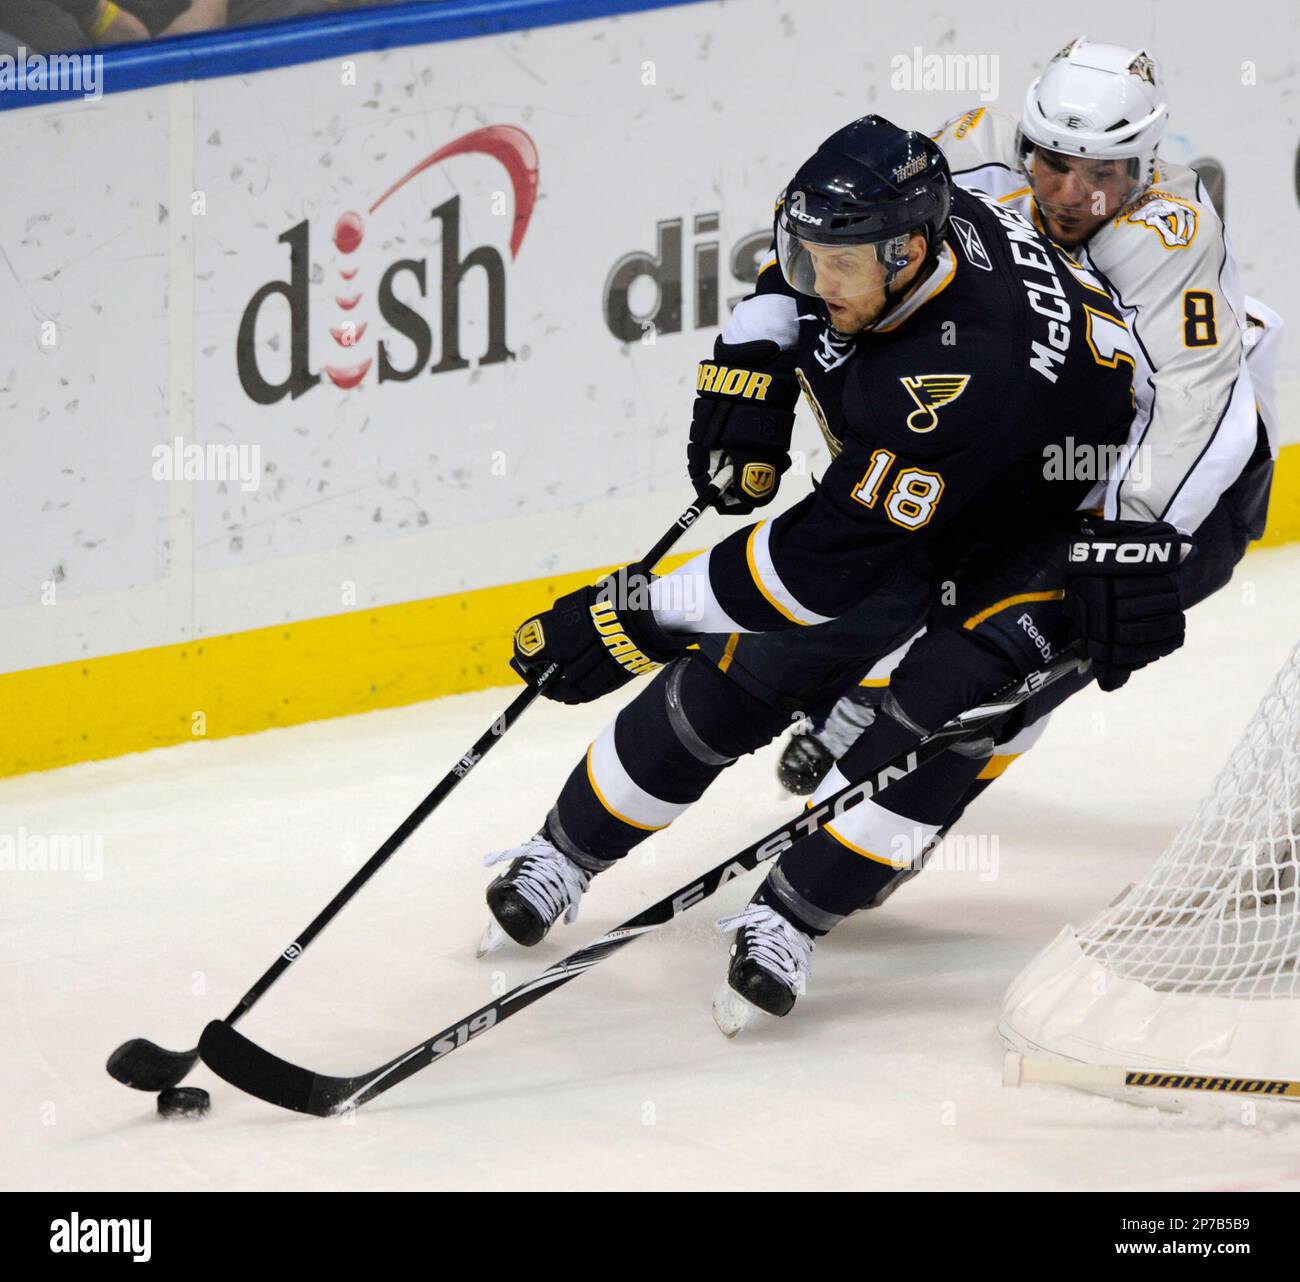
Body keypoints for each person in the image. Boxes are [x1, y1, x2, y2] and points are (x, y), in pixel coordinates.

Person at [477, 113, 1142, 1033]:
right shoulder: (881, 250)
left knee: (937, 723)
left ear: (909, 255)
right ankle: (564, 854)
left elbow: (809, 572)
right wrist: (751, 360)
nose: (812, 279)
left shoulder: (961, 380)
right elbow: (795, 281)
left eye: (838, 265)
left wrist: (632, 613)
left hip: (1044, 529)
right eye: (806, 252)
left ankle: (788, 917)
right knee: (745, 677)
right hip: (919, 497)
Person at [778, 38, 1281, 799]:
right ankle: (863, 697)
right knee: (928, 559)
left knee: (1027, 649)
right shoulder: (974, 149)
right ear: (1024, 145)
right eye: (1054, 163)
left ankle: (898, 824)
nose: (1074, 194)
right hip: (1047, 450)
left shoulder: (1171, 232)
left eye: (1103, 173)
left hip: (1187, 494)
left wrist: (1131, 536)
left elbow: (1201, 408)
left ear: (1144, 165)